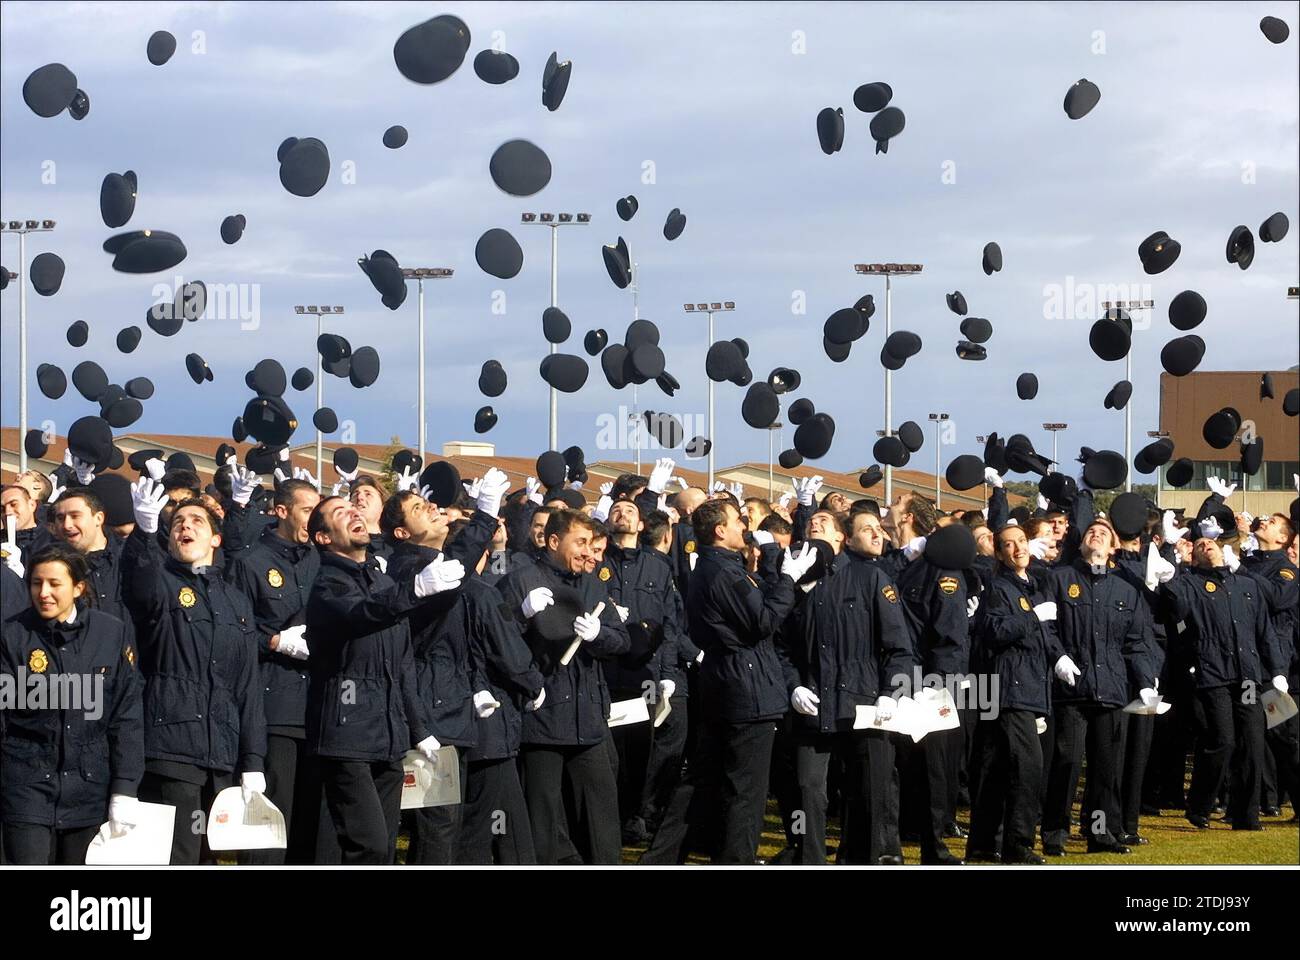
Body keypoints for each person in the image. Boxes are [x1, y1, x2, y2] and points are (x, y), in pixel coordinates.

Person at [642, 498, 815, 864]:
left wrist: (773, 567)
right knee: (745, 795)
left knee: (701, 783)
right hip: (746, 693)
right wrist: (789, 579)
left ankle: (660, 858)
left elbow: (755, 606)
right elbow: (763, 622)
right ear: (720, 530)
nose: (744, 526)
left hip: (728, 687)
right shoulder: (724, 572)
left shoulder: (718, 567)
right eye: (738, 520)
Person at [304, 495, 457, 863]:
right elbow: (361, 615)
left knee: (385, 847)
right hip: (346, 735)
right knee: (368, 844)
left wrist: (419, 729)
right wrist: (414, 590)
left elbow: (402, 664)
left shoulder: (381, 578)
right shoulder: (327, 584)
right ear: (323, 537)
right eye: (341, 513)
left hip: (388, 734)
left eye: (354, 509)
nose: (354, 513)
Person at [121, 479, 267, 865]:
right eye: (179, 522)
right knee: (178, 855)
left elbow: (248, 686)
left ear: (215, 540)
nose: (185, 526)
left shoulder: (235, 600)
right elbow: (140, 588)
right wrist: (145, 533)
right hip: (172, 749)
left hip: (221, 753)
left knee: (211, 856)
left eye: (197, 521)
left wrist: (253, 760)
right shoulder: (163, 583)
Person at [381, 469, 509, 863]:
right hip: (427, 709)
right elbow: (455, 568)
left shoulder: (435, 560)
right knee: (435, 826)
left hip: (453, 705)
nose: (433, 508)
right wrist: (485, 515)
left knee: (447, 826)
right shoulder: (406, 566)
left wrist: (477, 684)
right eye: (419, 508)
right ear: (402, 533)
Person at [496, 508, 631, 864]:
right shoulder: (520, 579)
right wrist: (520, 617)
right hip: (541, 721)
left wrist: (600, 635)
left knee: (600, 817)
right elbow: (496, 642)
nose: (589, 552)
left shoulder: (591, 583)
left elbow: (623, 640)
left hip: (588, 720)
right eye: (581, 542)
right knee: (543, 819)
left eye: (592, 543)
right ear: (554, 541)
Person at [780, 510, 915, 864]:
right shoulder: (792, 583)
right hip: (813, 707)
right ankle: (809, 860)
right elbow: (781, 647)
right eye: (811, 521)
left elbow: (898, 647)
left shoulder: (871, 577)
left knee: (868, 794)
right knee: (808, 791)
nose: (814, 524)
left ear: (842, 538)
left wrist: (892, 692)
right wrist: (793, 685)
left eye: (824, 522)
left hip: (864, 704)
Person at [0, 544, 144, 864]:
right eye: (36, 583)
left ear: (78, 587)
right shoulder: (11, 636)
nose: (44, 593)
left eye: (54, 583)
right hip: (26, 788)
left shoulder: (111, 633)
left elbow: (126, 715)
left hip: (89, 791)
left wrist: (125, 786)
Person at [1039, 517, 1156, 855]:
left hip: (1112, 689)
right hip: (1071, 689)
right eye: (1091, 531)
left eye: (1105, 533)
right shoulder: (1058, 579)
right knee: (1067, 762)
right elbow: (1045, 627)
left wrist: (1146, 683)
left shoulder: (1126, 590)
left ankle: (1100, 833)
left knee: (1107, 768)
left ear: (1114, 547)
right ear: (1080, 543)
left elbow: (1137, 643)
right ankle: (1055, 833)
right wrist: (1058, 657)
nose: (1097, 534)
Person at [223, 476, 322, 864]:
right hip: (274, 709)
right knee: (271, 817)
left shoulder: (319, 558)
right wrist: (275, 642)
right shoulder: (250, 563)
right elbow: (233, 635)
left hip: (317, 708)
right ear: (281, 512)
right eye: (306, 510)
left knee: (308, 822)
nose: (314, 519)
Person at [1162, 536, 1289, 831]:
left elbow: (1264, 630)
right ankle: (1200, 804)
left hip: (1247, 676)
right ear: (1194, 557)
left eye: (1211, 543)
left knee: (1252, 743)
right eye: (1199, 545)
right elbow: (1172, 604)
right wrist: (1174, 562)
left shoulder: (1245, 585)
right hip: (1213, 674)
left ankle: (1245, 814)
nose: (1206, 546)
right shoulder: (1191, 584)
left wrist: (1277, 669)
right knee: (1222, 740)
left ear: (1222, 550)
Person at [967, 525, 1065, 864]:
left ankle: (983, 844)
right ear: (999, 552)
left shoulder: (1034, 586)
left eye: (1021, 541)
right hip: (1010, 689)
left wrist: (1061, 657)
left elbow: (1044, 635)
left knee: (996, 769)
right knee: (1027, 766)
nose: (1017, 548)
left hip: (1030, 687)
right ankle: (1018, 843)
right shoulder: (998, 588)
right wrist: (1030, 618)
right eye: (1008, 544)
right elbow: (993, 631)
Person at [595, 498, 685, 844]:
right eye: (617, 510)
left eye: (630, 511)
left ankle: (632, 818)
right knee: (606, 756)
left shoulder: (658, 568)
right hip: (605, 673)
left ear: (642, 525)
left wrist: (667, 674)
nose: (622, 514)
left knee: (638, 755)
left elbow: (669, 625)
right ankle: (606, 820)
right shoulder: (598, 561)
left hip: (642, 676)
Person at [1240, 513, 1298, 818]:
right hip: (1245, 660)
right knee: (1251, 736)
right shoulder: (1248, 563)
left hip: (1271, 664)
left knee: (1282, 734)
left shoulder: (1286, 569)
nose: (1265, 522)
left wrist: (1241, 570)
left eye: (1273, 523)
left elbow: (1276, 597)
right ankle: (1264, 799)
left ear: (1283, 538)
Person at [50, 487, 130, 624]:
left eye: (75, 516)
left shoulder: (128, 556)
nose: (67, 525)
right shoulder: (52, 566)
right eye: (60, 518)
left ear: (98, 518)